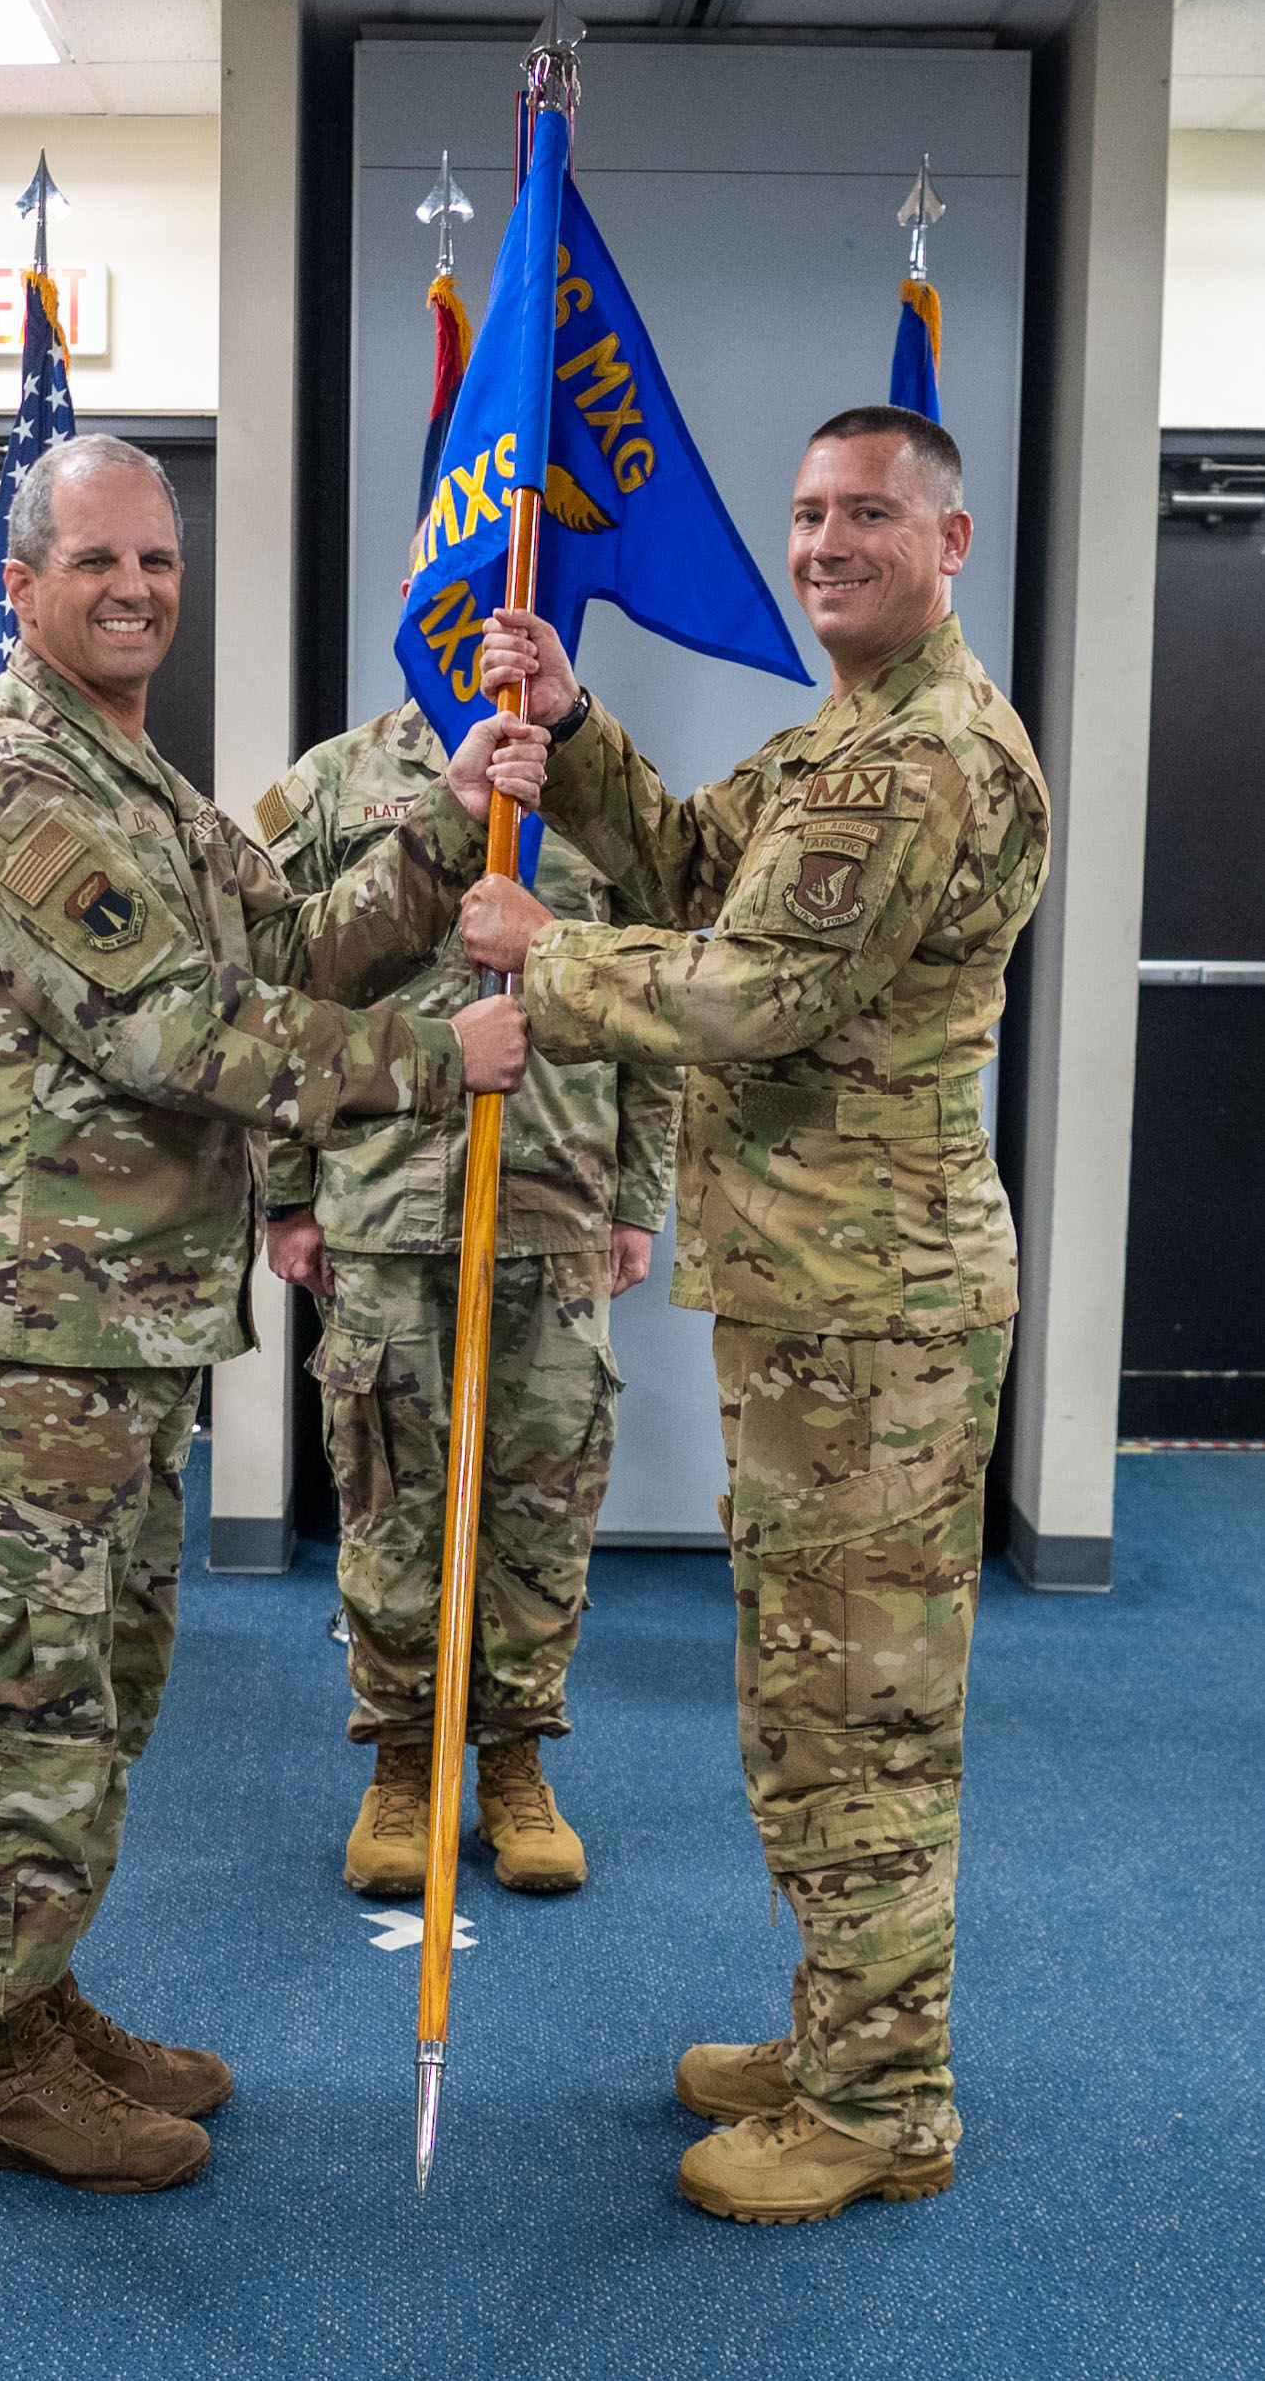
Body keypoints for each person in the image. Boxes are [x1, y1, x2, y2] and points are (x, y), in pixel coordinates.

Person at [0, 434, 545, 2194]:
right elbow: (168, 1034)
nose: (135, 588)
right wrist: (431, 1056)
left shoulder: (147, 782)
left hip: (122, 1332)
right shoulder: (13, 782)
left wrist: (442, 810)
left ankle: (37, 1991)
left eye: (156, 560)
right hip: (17, 1337)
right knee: (18, 1700)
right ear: (21, 584)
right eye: (95, 560)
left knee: (98, 1689)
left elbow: (296, 948)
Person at [462, 405, 1050, 2225]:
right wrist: (573, 728)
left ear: (948, 543)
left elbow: (760, 992)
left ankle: (885, 2100)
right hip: (823, 1296)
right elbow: (706, 862)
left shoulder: (925, 757)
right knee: (814, 1694)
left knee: (858, 1713)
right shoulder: (845, 739)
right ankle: (843, 2034)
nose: (821, 544)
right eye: (805, 513)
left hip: (871, 1317)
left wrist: (534, 957)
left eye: (864, 514)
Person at [255, 694, 679, 1898]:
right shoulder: (338, 785)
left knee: (542, 1509)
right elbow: (281, 991)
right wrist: (286, 1195)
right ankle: (400, 1762)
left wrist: (640, 1198)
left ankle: (514, 1767)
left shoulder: (595, 793)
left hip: (556, 1205)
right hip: (383, 1208)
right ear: (420, 595)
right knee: (391, 1499)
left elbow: (649, 1007)